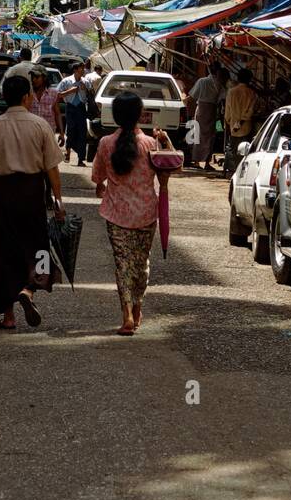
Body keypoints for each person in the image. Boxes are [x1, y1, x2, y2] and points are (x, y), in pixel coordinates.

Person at [0, 74, 65, 331]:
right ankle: (30, 289)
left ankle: (8, 316)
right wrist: (58, 199)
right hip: (32, 193)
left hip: (4, 194)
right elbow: (52, 168)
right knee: (38, 247)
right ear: (25, 97)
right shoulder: (40, 126)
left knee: (3, 252)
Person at [92, 91, 171, 335]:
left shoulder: (106, 143)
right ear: (139, 115)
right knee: (141, 264)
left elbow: (98, 177)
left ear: (115, 116)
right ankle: (137, 307)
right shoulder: (151, 144)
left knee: (123, 264)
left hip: (116, 214)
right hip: (147, 213)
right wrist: (166, 142)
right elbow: (171, 168)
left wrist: (101, 186)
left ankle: (126, 313)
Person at [187, 62, 223, 172]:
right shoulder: (219, 83)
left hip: (202, 109)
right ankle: (206, 162)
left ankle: (197, 161)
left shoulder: (202, 81)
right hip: (212, 110)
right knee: (209, 137)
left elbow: (192, 95)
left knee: (197, 134)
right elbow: (221, 98)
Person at [55, 60, 92, 166]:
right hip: (70, 108)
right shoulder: (66, 81)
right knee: (70, 131)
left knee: (82, 132)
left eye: (84, 69)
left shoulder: (85, 81)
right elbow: (58, 95)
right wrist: (70, 91)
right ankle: (68, 152)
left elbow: (90, 94)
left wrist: (86, 89)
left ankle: (81, 159)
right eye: (81, 69)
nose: (83, 71)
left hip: (81, 108)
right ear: (75, 70)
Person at [224, 67, 259, 154]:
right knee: (245, 152)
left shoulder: (231, 92)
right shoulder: (251, 93)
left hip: (233, 127)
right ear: (249, 80)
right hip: (246, 127)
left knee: (234, 151)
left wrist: (229, 123)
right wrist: (241, 122)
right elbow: (251, 111)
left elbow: (227, 112)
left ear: (238, 78)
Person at [29, 67, 63, 139]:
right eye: (32, 77)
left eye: (37, 77)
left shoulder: (53, 93)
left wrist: (61, 133)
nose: (33, 80)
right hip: (32, 133)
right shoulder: (28, 94)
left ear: (44, 78)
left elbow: (57, 114)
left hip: (48, 133)